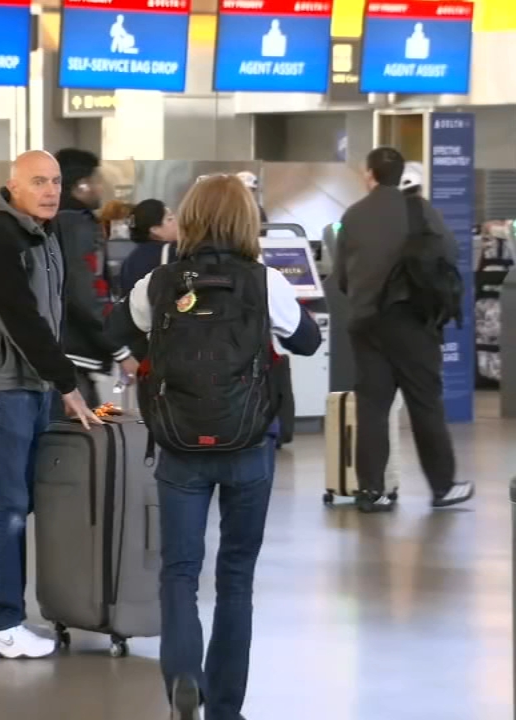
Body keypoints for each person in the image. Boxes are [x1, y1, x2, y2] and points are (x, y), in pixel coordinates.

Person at [116, 174, 321, 720]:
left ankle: (184, 674)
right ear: (246, 222)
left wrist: (155, 340)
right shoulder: (265, 282)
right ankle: (225, 709)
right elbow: (307, 340)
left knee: (179, 571)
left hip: (180, 444)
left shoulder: (158, 283)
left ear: (191, 220)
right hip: (248, 444)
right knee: (236, 576)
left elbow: (108, 332)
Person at [0, 150, 101, 659]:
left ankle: (6, 615)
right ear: (12, 186)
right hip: (0, 386)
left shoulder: (43, 234)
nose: (50, 190)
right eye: (38, 181)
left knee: (23, 500)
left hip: (31, 384)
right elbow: (19, 316)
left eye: (57, 181)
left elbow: (55, 313)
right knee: (5, 505)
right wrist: (66, 383)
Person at [334, 147, 474, 513]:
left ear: (370, 175)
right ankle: (443, 487)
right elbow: (451, 251)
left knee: (373, 406)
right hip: (411, 321)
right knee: (424, 402)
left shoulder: (352, 215)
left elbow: (342, 279)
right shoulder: (419, 209)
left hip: (365, 323)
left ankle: (372, 491)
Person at [54, 148, 135, 407]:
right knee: (74, 442)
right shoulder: (78, 227)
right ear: (81, 185)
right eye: (97, 181)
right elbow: (86, 293)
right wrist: (119, 350)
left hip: (57, 351)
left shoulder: (52, 222)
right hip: (73, 356)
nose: (101, 188)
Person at [118, 198, 178, 294]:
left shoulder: (131, 258)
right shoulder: (171, 252)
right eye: (169, 219)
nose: (176, 222)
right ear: (154, 229)